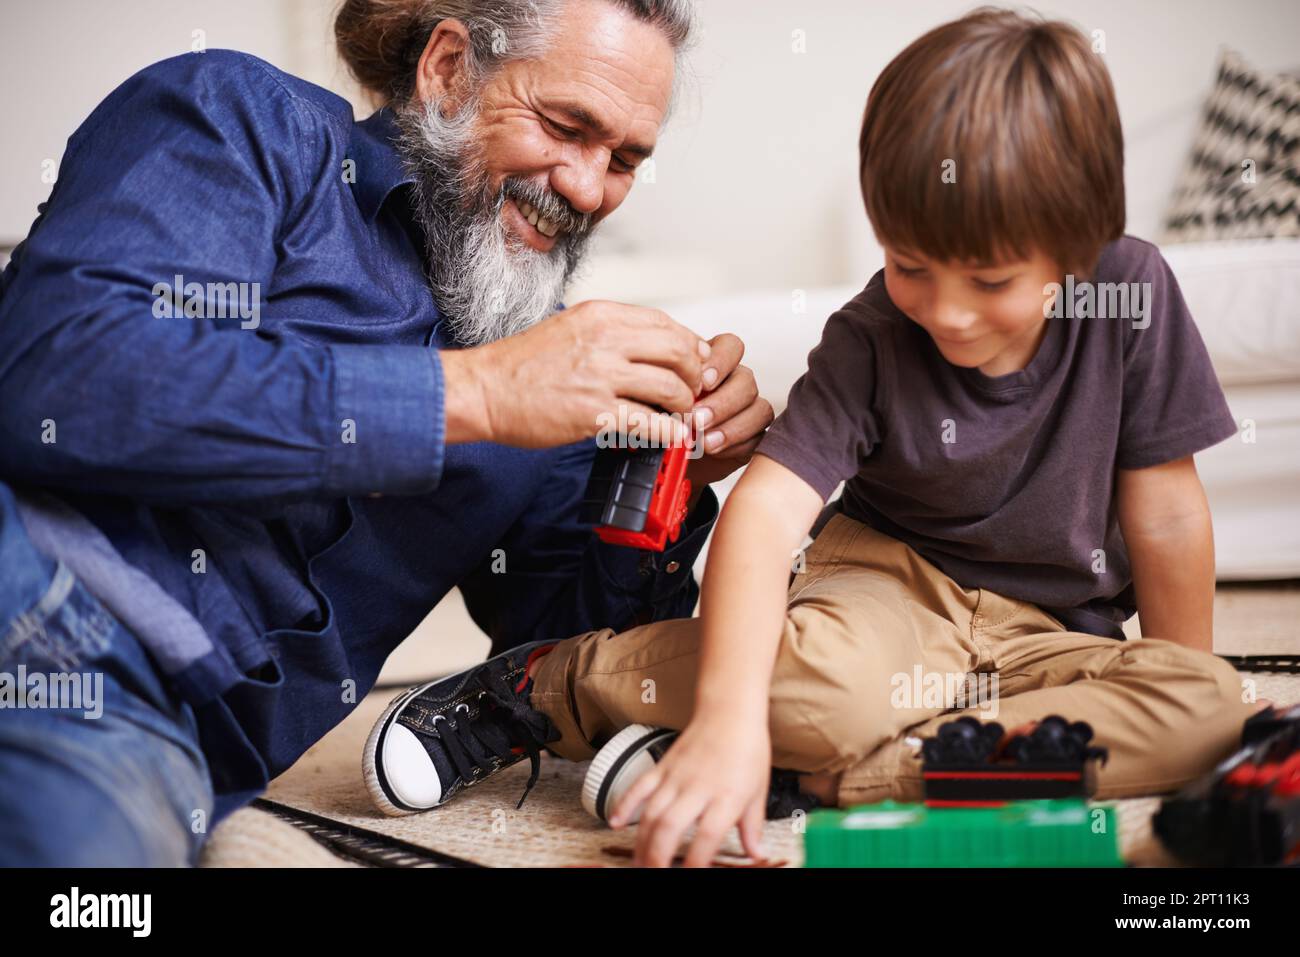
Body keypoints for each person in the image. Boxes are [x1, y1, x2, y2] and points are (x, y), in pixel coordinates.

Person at [371, 7, 1263, 867]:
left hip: (1050, 637)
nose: (946, 314)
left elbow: (1170, 514)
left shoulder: (1132, 292)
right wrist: (725, 724)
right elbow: (761, 519)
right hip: (890, 596)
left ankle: (820, 772)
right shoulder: (871, 333)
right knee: (816, 692)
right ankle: (556, 682)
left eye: (989, 281)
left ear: (1079, 252)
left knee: (1213, 706)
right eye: (910, 266)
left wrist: (1172, 691)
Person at [0, 0, 777, 865]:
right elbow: (64, 374)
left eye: (625, 159)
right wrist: (471, 393)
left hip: (165, 750)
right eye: (565, 126)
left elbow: (567, 665)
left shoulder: (549, 373)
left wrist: (673, 476)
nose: (589, 189)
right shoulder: (247, 122)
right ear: (447, 69)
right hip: (33, 590)